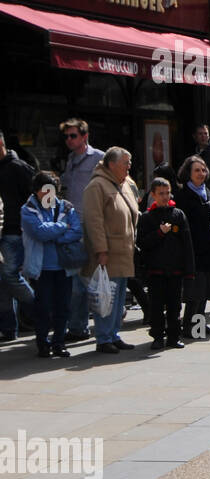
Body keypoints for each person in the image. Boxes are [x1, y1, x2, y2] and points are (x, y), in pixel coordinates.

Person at [81, 147, 139, 354]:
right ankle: (103, 338)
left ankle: (113, 334)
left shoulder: (123, 184)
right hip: (108, 253)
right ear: (112, 164)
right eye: (126, 162)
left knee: (119, 297)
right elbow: (93, 221)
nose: (129, 166)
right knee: (106, 297)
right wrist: (101, 250)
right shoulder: (97, 186)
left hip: (124, 252)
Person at [20, 172, 82, 357]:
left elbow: (77, 231)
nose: (48, 195)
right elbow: (39, 232)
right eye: (44, 191)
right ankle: (42, 343)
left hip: (64, 266)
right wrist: (63, 227)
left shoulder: (66, 207)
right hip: (42, 269)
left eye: (52, 190)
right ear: (37, 191)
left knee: (63, 307)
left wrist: (54, 233)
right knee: (43, 308)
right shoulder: (27, 209)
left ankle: (59, 343)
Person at [57, 118, 104, 343]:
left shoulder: (99, 158)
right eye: (66, 136)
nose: (69, 140)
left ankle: (106, 315)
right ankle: (78, 327)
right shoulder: (70, 160)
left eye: (73, 136)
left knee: (91, 277)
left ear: (84, 137)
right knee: (78, 278)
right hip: (73, 225)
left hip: (92, 223)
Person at [136, 177, 195, 349]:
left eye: (167, 193)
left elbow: (187, 244)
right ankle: (157, 336)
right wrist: (159, 234)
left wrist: (189, 270)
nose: (164, 196)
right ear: (153, 195)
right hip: (156, 270)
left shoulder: (178, 214)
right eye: (160, 193)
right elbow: (142, 243)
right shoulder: (147, 217)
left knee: (174, 305)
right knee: (156, 305)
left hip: (175, 270)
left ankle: (173, 336)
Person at [174, 156, 210, 339]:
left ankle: (200, 325)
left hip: (209, 249)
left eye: (203, 170)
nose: (201, 174)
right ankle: (189, 327)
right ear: (188, 173)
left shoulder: (207, 192)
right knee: (195, 292)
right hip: (193, 249)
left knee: (205, 291)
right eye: (197, 170)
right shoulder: (183, 196)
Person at [0, 130, 37, 341]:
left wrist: (29, 225)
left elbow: (41, 198)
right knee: (3, 283)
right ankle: (8, 329)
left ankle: (39, 312)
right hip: (4, 232)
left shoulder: (19, 168)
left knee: (10, 277)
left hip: (13, 232)